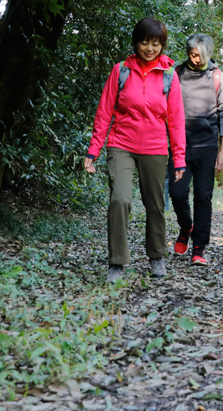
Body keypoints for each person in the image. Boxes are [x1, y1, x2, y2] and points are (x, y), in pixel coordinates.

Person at [84, 17, 186, 283]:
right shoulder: (121, 71)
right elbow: (104, 112)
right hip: (121, 145)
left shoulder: (168, 75)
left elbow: (176, 120)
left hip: (154, 148)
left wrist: (179, 158)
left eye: (155, 43)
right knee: (120, 200)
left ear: (162, 45)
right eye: (144, 42)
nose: (149, 48)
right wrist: (93, 151)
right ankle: (117, 262)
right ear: (136, 43)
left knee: (155, 205)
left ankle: (156, 257)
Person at [168, 34, 223, 266]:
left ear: (208, 53)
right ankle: (186, 226)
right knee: (177, 193)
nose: (195, 59)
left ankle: (199, 247)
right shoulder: (177, 74)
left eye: (200, 55)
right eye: (192, 54)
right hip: (180, 146)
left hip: (207, 147)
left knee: (204, 197)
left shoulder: (217, 77)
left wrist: (222, 151)